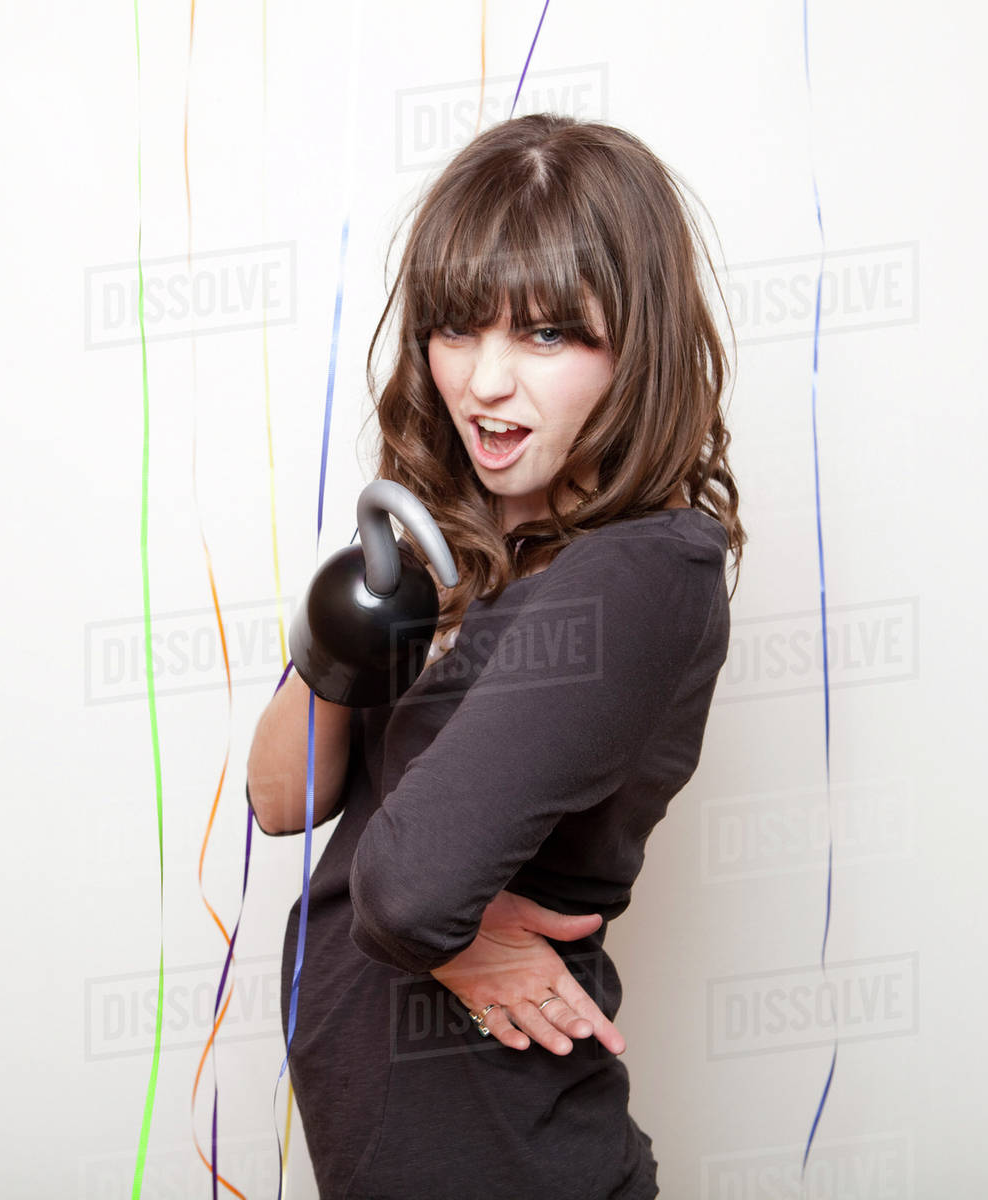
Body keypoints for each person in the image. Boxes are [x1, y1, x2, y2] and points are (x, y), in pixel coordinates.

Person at [246, 112, 746, 1200]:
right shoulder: (436, 544)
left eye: (548, 335)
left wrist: (439, 933)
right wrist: (344, 635)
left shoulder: (645, 574)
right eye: (460, 328)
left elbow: (407, 891)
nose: (483, 383)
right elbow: (282, 798)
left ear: (637, 346)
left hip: (515, 1161)